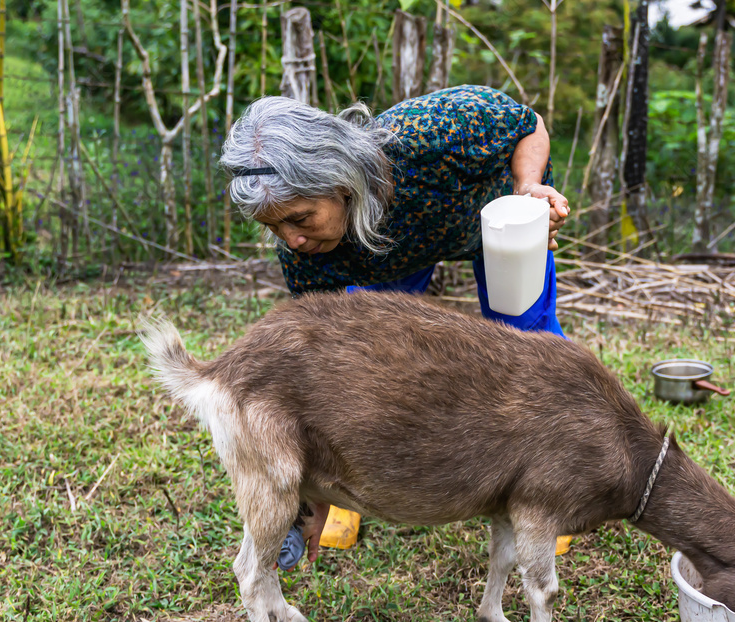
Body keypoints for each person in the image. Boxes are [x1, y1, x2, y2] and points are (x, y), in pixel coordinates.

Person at [220, 84, 573, 569]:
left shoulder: (436, 132)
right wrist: (315, 495)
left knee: (530, 344)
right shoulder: (307, 254)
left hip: (499, 221)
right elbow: (326, 377)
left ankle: (552, 488)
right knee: (374, 362)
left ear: (341, 183)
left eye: (301, 218)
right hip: (389, 246)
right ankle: (350, 496)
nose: (292, 239)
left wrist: (527, 188)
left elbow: (526, 124)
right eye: (275, 226)